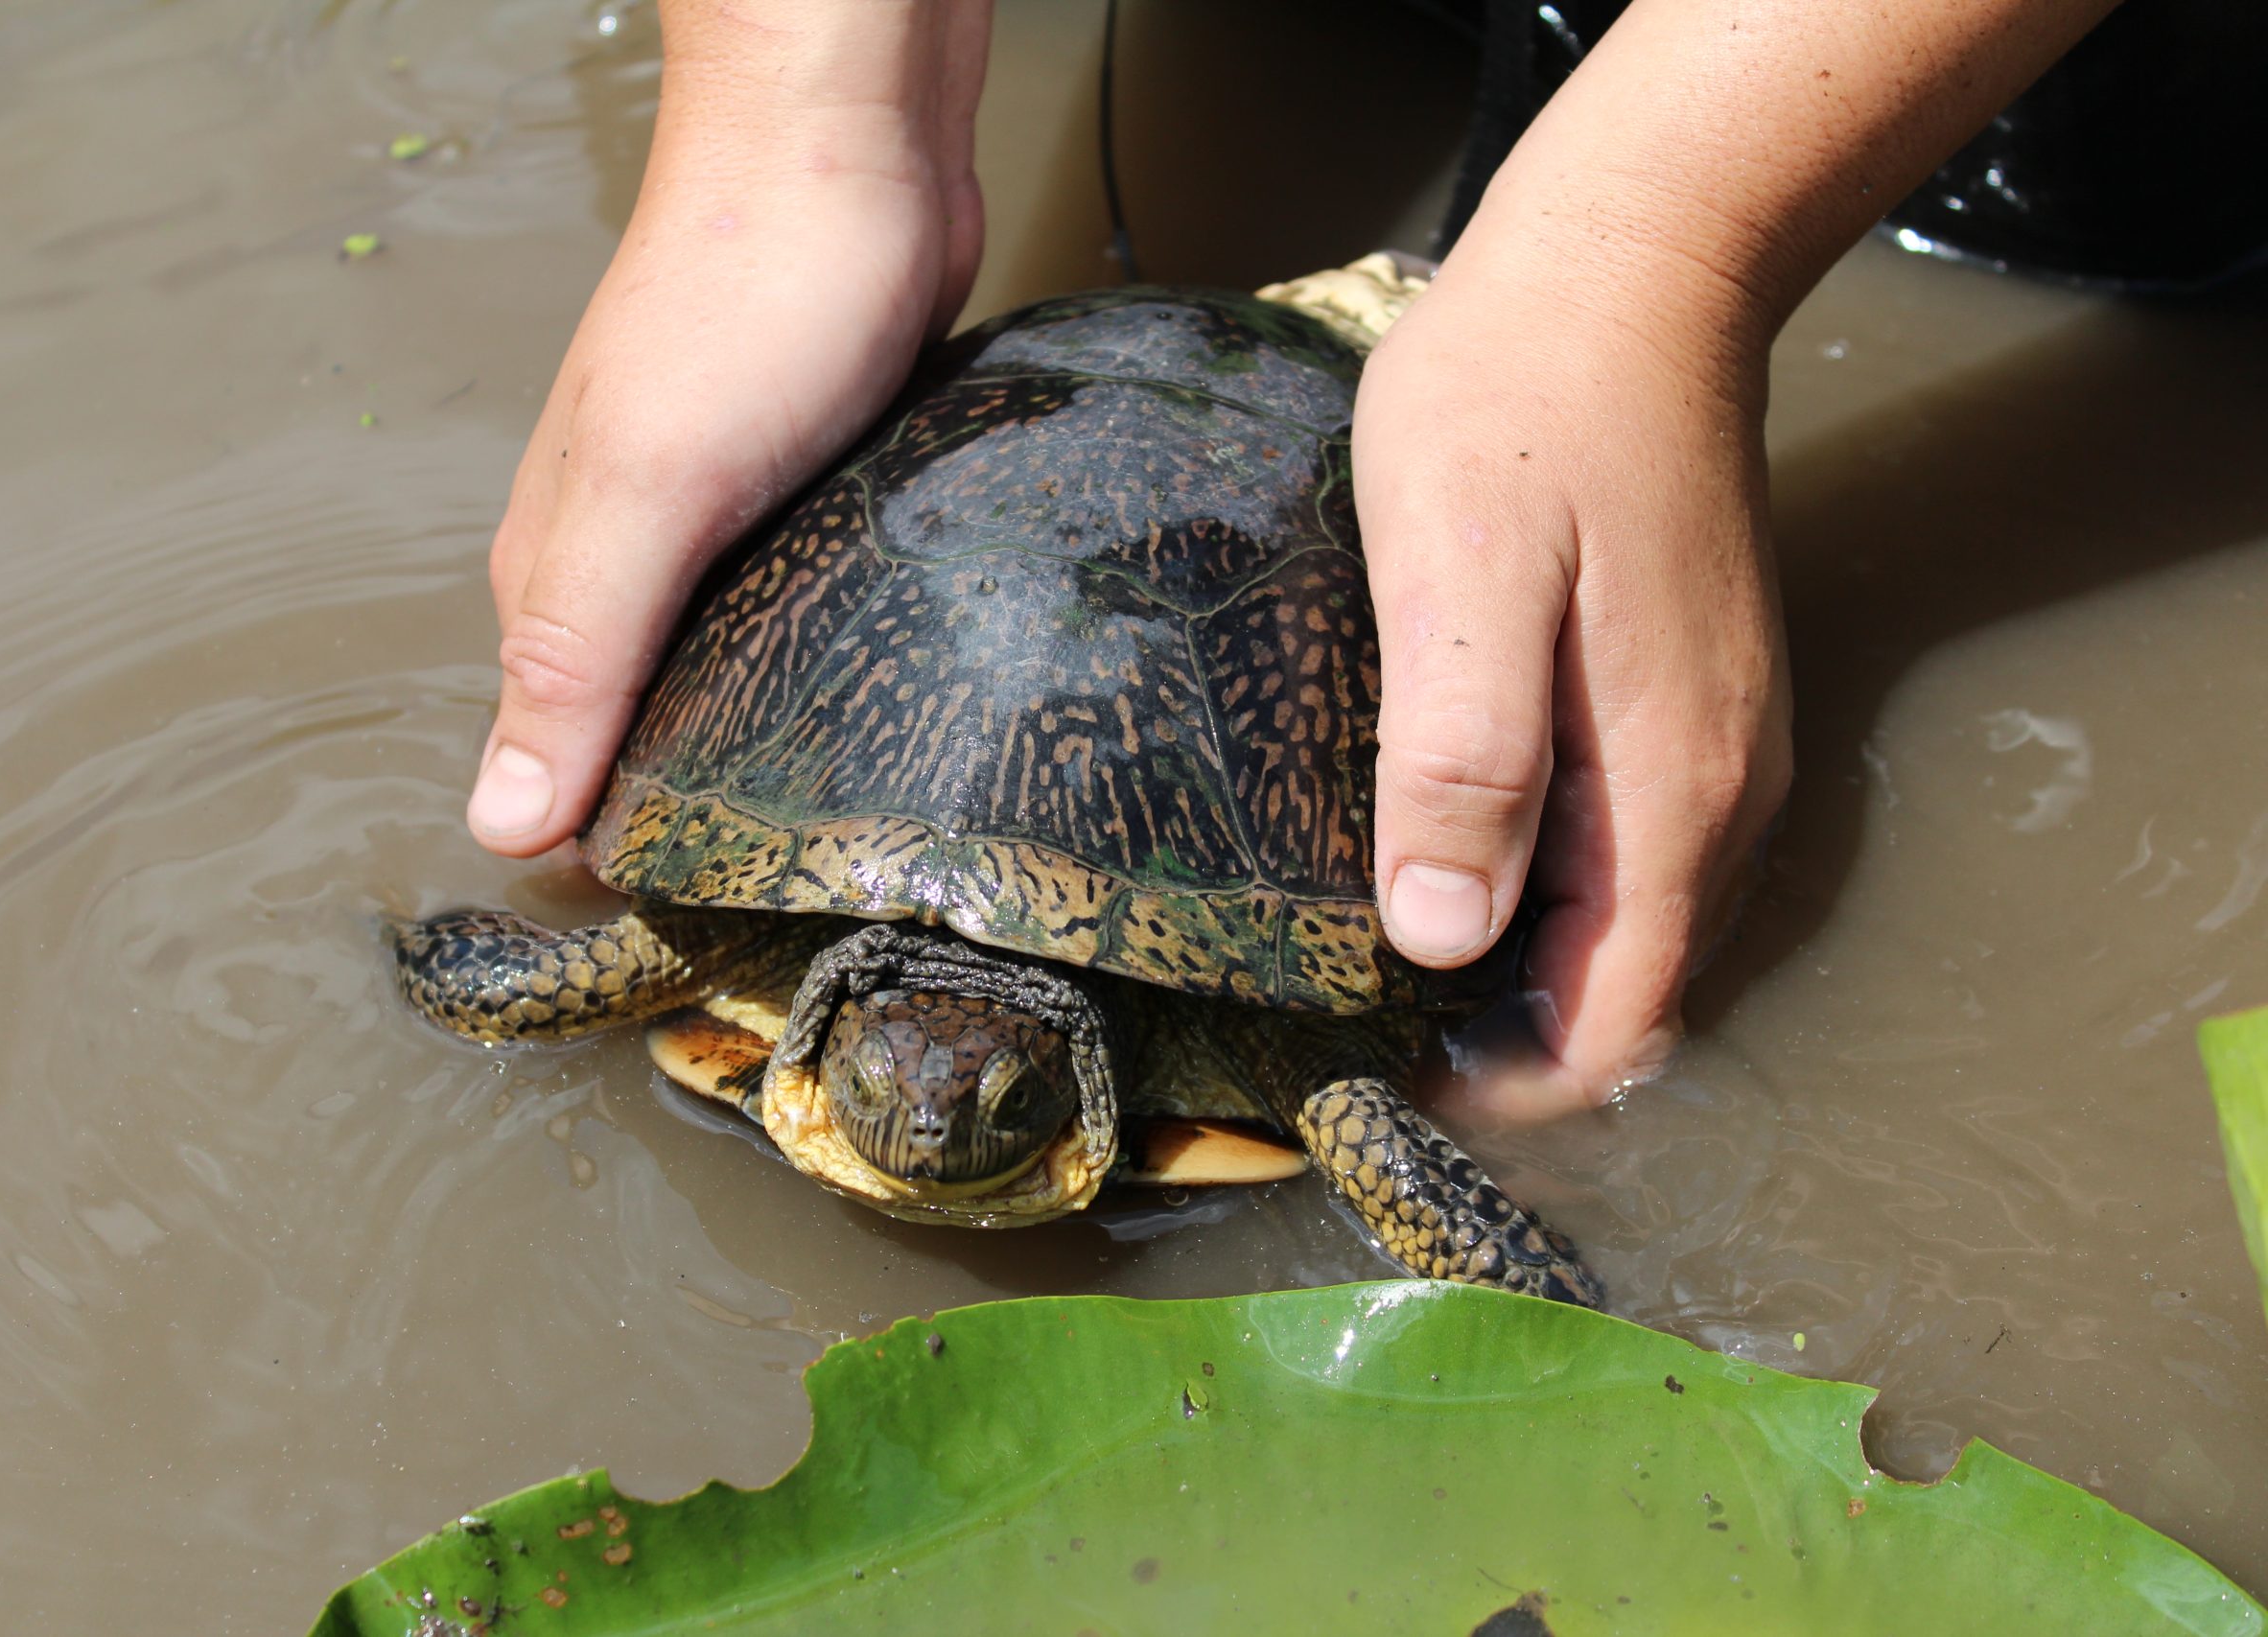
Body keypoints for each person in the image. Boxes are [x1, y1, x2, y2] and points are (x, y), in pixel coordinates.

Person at [458, 0, 2122, 1120]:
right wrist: (798, 131)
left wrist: (1660, 261)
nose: (927, 1138)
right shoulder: (741, 947)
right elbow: (685, 923)